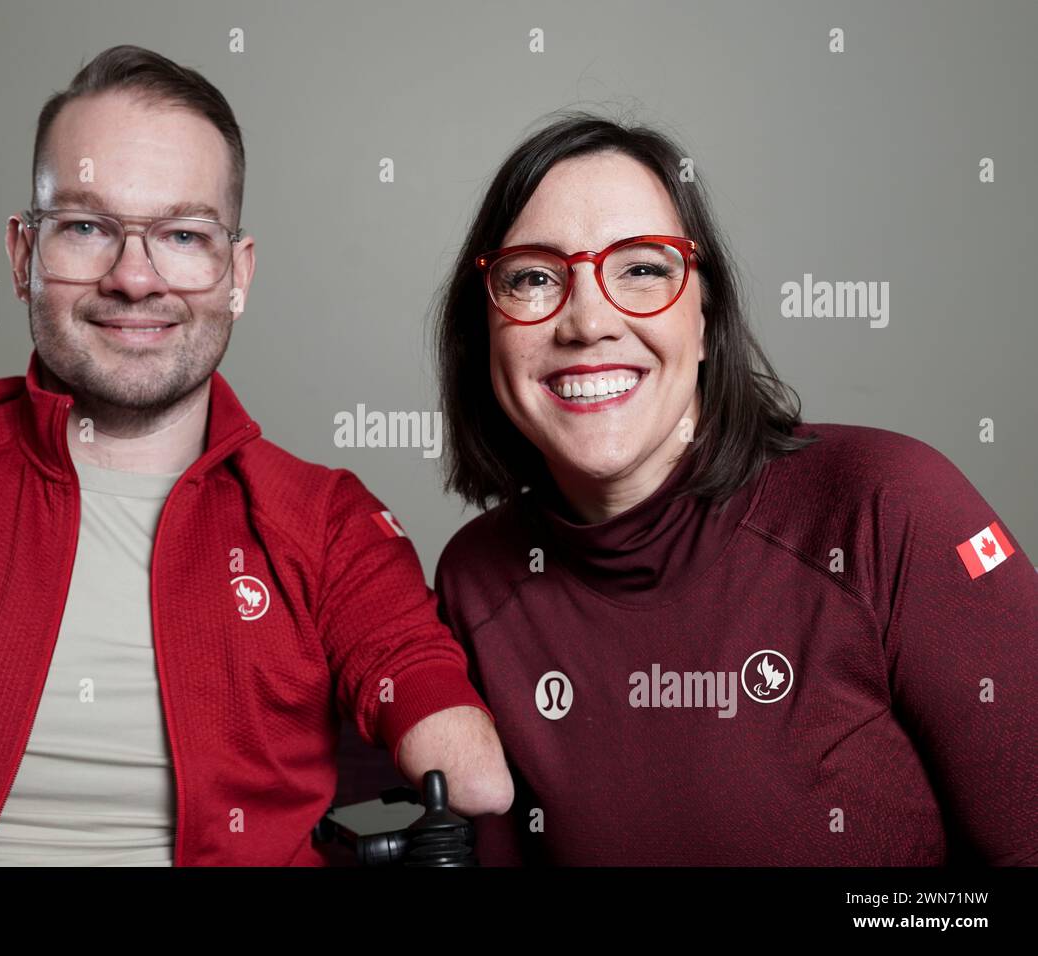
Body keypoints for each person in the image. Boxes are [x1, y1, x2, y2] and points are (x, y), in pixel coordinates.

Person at [0, 44, 512, 867]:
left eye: (183, 233)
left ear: (237, 275)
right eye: (84, 227)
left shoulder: (325, 521)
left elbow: (471, 778)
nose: (135, 279)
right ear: (23, 255)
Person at [432, 111, 1037, 866]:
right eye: (532, 277)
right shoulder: (475, 579)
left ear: (707, 314)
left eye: (643, 268)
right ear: (484, 324)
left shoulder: (889, 507)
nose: (588, 321)